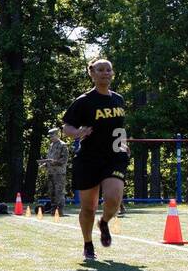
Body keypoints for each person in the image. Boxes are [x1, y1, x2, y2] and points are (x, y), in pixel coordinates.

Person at [61, 57, 128, 260]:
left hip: (114, 156)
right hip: (89, 159)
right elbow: (66, 127)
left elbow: (120, 128)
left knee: (114, 199)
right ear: (92, 73)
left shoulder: (119, 99)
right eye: (100, 70)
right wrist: (78, 132)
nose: (105, 73)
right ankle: (88, 244)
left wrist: (125, 144)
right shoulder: (84, 101)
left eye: (108, 70)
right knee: (88, 207)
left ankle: (105, 222)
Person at [43, 128, 70, 215]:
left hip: (59, 173)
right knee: (51, 192)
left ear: (57, 135)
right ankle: (53, 209)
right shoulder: (51, 145)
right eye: (50, 136)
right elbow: (49, 159)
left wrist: (54, 162)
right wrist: (45, 164)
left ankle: (60, 210)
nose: (51, 137)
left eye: (52, 135)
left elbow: (64, 159)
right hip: (51, 172)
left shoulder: (63, 145)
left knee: (59, 192)